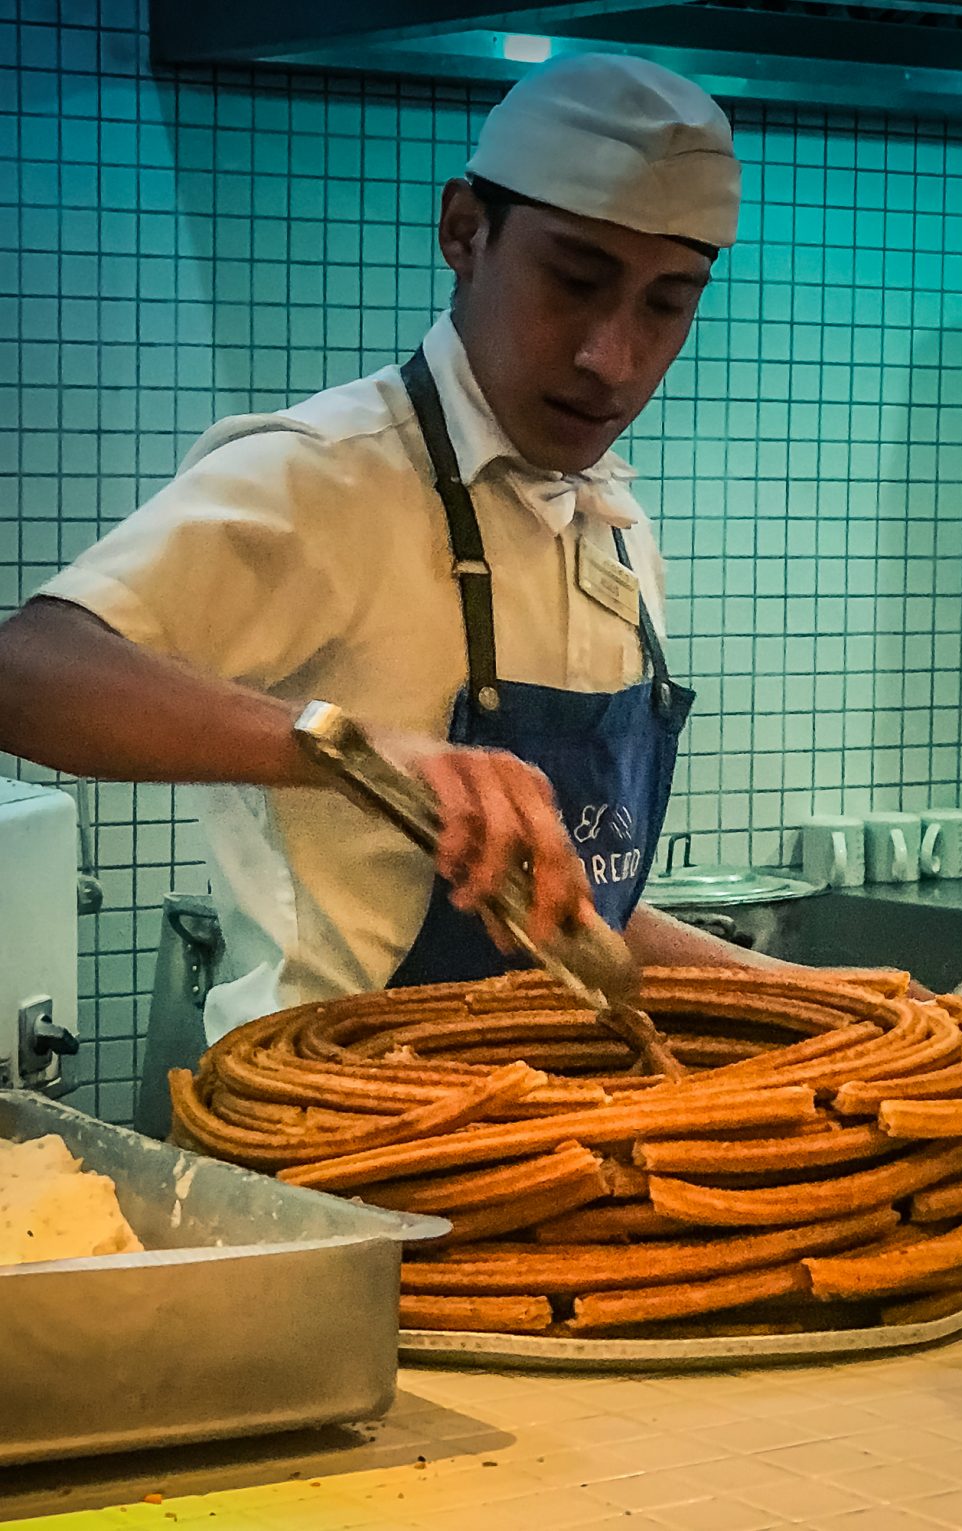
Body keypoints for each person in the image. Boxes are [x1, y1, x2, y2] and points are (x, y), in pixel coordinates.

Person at [0, 53, 849, 1041]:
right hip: (333, 1113)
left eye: (667, 304)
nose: (611, 358)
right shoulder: (328, 476)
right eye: (574, 281)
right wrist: (351, 751)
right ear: (464, 230)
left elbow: (569, 922)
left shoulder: (611, 526)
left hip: (552, 1109)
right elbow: (28, 672)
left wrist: (844, 1001)